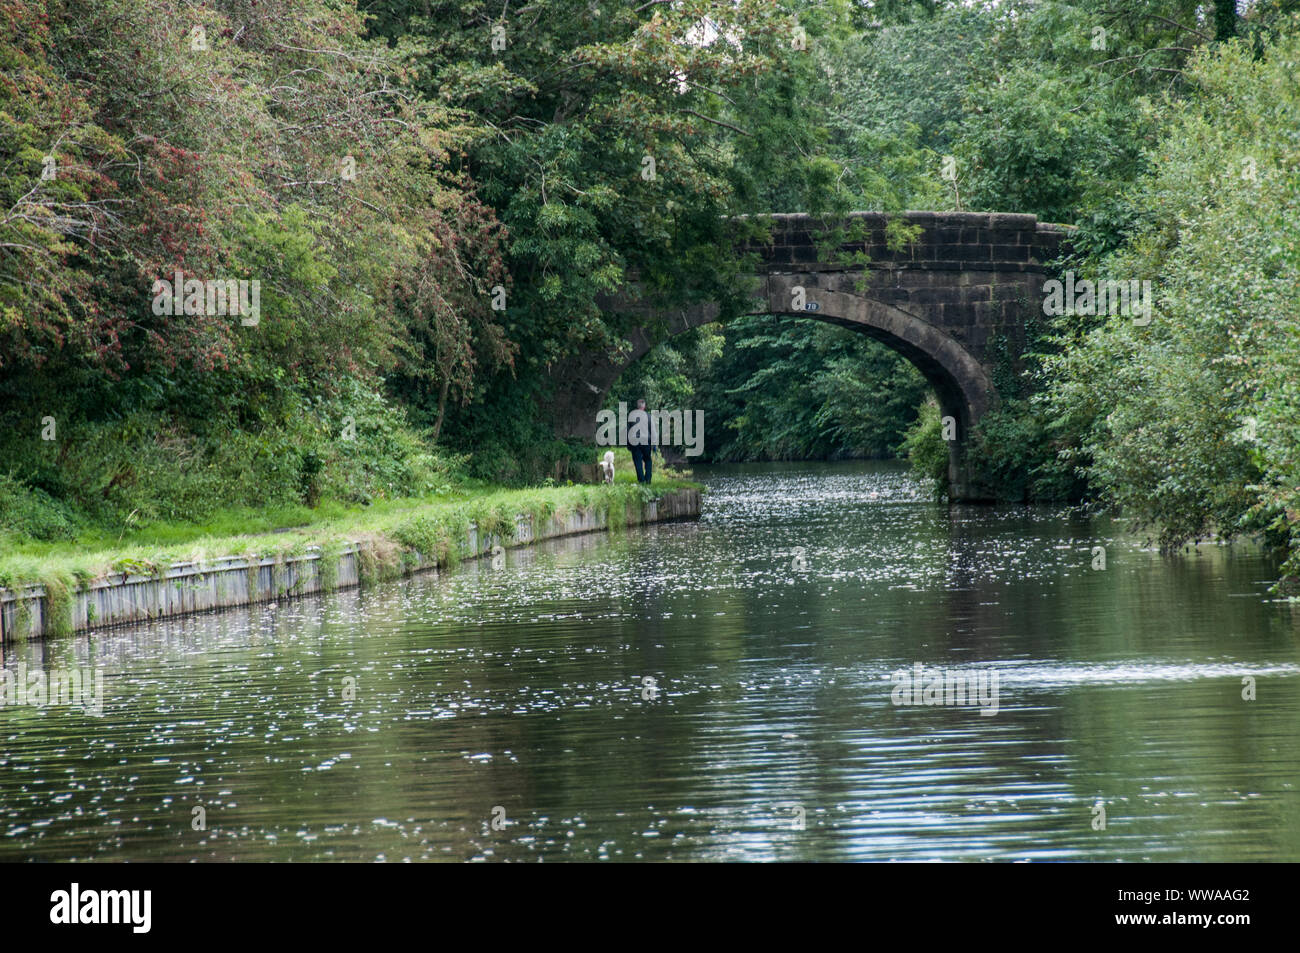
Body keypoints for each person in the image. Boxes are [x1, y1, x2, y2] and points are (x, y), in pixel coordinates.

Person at [626, 398, 656, 484]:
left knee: (637, 461)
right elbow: (653, 431)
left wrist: (628, 444)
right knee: (648, 460)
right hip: (646, 441)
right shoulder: (649, 416)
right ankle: (648, 479)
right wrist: (654, 444)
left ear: (637, 406)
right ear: (644, 406)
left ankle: (641, 481)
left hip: (635, 441)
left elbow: (628, 431)